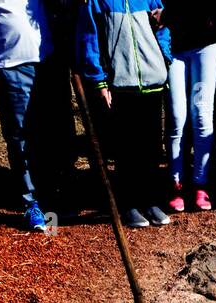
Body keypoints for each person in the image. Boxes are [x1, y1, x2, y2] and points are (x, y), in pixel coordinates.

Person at [0, 0, 74, 231]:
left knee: (50, 129)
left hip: (46, 57)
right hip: (9, 62)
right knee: (20, 134)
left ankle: (53, 195)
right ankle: (32, 202)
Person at [76, 0, 172, 227]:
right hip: (121, 82)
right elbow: (89, 38)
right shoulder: (96, 2)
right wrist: (99, 80)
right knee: (127, 148)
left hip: (152, 80)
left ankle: (150, 201)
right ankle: (129, 205)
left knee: (150, 146)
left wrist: (163, 58)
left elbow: (163, 26)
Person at [162, 0, 216, 212]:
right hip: (173, 47)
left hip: (207, 46)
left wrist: (169, 13)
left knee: (201, 114)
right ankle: (176, 183)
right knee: (176, 117)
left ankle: (201, 183)